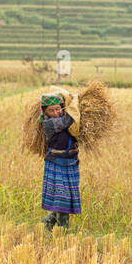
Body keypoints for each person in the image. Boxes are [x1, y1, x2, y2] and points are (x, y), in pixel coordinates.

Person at [39, 92, 81, 231]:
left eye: (58, 109)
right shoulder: (48, 123)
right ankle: (64, 231)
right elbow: (67, 120)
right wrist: (75, 101)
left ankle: (48, 222)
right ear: (45, 111)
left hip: (71, 162)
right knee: (62, 198)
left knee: (65, 198)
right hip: (57, 162)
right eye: (51, 110)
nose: (56, 112)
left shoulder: (65, 118)